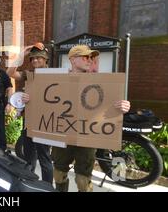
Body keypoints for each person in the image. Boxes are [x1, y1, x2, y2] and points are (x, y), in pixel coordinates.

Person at [51, 45, 131, 192]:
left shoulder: (100, 82)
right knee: (59, 173)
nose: (89, 60)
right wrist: (28, 98)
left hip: (87, 136)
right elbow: (45, 102)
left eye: (91, 57)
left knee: (83, 179)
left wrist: (123, 106)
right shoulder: (57, 80)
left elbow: (110, 104)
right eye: (85, 57)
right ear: (73, 60)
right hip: (63, 134)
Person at [6, 42, 54, 184]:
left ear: (45, 59)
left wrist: (34, 97)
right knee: (29, 159)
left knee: (45, 160)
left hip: (45, 123)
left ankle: (47, 187)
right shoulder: (30, 75)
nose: (34, 61)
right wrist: (21, 56)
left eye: (38, 58)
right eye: (32, 58)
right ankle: (29, 185)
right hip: (29, 123)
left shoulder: (55, 75)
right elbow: (9, 73)